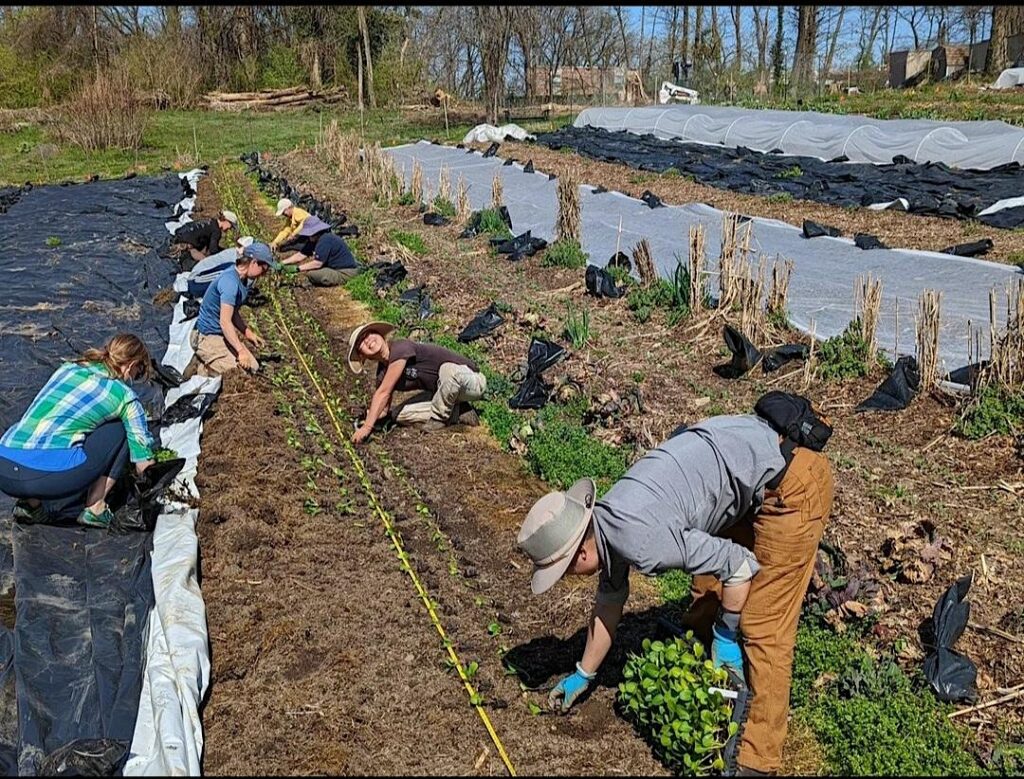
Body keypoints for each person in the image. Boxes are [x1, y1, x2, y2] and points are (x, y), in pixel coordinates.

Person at [516, 412, 834, 777]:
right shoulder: (608, 521)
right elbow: (609, 601)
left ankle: (755, 760)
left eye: (564, 571)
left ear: (582, 554)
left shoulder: (643, 542)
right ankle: (709, 690)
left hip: (792, 483)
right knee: (705, 591)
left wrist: (727, 633)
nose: (568, 578)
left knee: (763, 625)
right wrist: (583, 674)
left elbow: (739, 564)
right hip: (749, 471)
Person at [0, 333, 157, 529]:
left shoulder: (69, 368)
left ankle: (31, 505)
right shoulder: (124, 396)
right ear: (132, 365)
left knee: (52, 429)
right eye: (138, 373)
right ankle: (95, 507)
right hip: (42, 477)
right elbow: (142, 462)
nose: (134, 379)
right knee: (121, 429)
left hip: (4, 467)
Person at [347, 321, 486, 442]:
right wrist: (367, 414)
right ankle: (459, 411)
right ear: (364, 356)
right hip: (442, 391)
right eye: (362, 344)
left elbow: (383, 392)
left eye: (369, 334)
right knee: (398, 415)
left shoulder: (400, 348)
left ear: (380, 335)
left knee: (448, 370)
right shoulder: (382, 374)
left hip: (469, 380)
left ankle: (439, 418)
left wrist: (367, 428)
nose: (368, 340)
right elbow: (384, 409)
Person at [191, 241, 279, 377]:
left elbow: (233, 313)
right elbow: (225, 322)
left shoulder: (243, 280)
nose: (264, 273)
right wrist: (240, 350)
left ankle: (213, 362)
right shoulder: (230, 283)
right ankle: (202, 367)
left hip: (220, 334)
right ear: (254, 262)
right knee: (240, 373)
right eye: (265, 268)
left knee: (254, 367)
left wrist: (248, 333)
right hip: (207, 336)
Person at [283, 231, 362, 287]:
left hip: (345, 272)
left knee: (312, 274)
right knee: (312, 271)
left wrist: (297, 268)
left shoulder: (325, 240)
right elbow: (301, 255)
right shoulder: (315, 240)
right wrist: (282, 263)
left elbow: (317, 263)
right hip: (335, 268)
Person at [186, 235, 255, 299]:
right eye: (239, 245)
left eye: (240, 246)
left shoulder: (245, 263)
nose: (237, 248)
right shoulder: (233, 258)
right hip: (197, 279)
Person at [270, 197, 331, 267]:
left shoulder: (298, 213)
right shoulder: (290, 218)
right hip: (303, 237)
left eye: (284, 212)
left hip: (310, 237)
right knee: (285, 247)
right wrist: (275, 241)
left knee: (292, 246)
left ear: (289, 208)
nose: (283, 214)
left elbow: (305, 223)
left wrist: (293, 234)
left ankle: (310, 250)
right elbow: (286, 230)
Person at [172, 210, 239, 265]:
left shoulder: (210, 221)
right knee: (207, 263)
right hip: (187, 246)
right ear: (225, 220)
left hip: (179, 237)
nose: (230, 229)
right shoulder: (216, 231)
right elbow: (213, 250)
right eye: (231, 225)